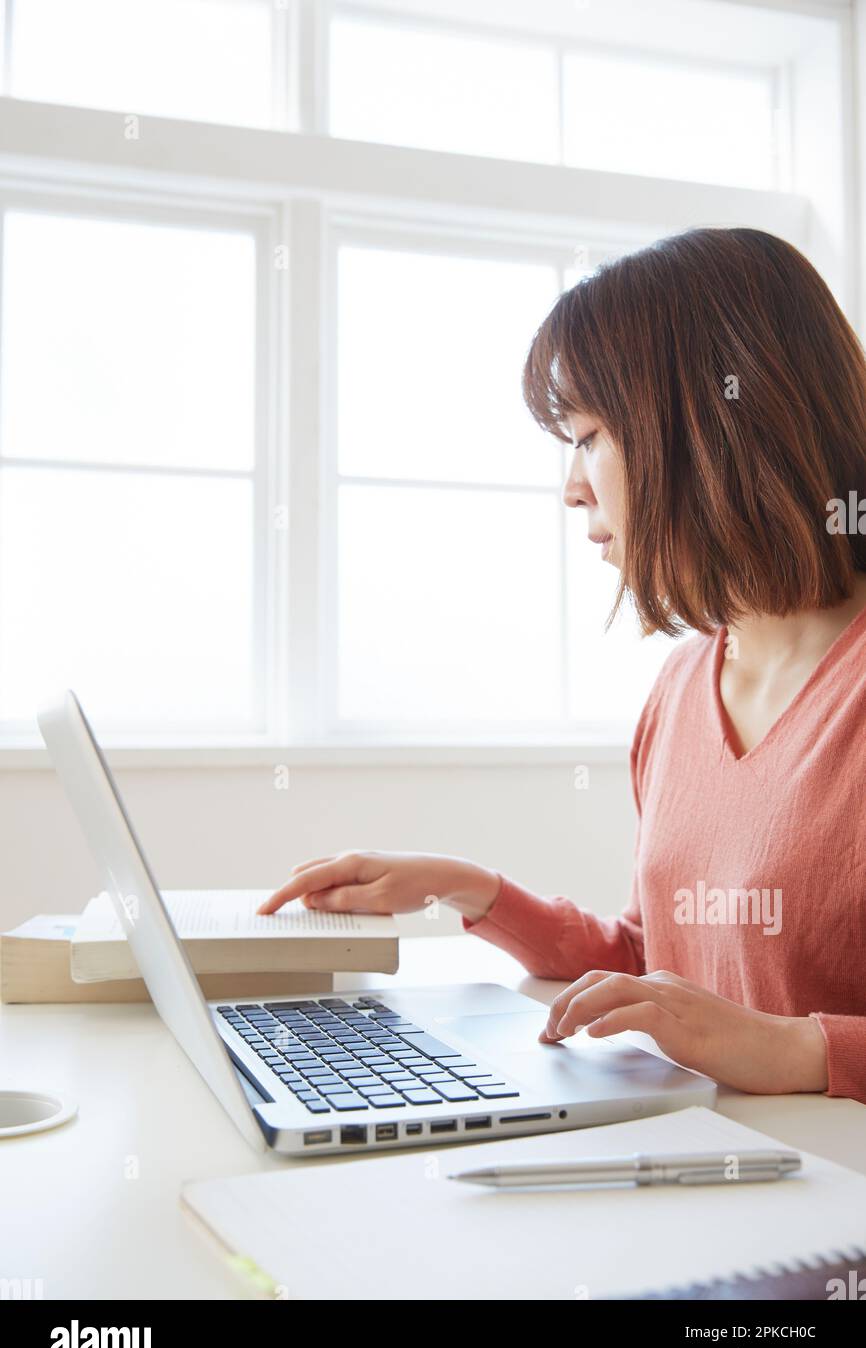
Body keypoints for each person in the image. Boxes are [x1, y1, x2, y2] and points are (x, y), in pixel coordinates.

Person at [259, 228, 866, 1105]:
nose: (572, 486)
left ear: (711, 427)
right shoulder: (683, 687)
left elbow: (741, 1030)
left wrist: (796, 1052)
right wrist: (470, 888)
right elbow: (657, 970)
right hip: (705, 1163)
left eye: (587, 436)